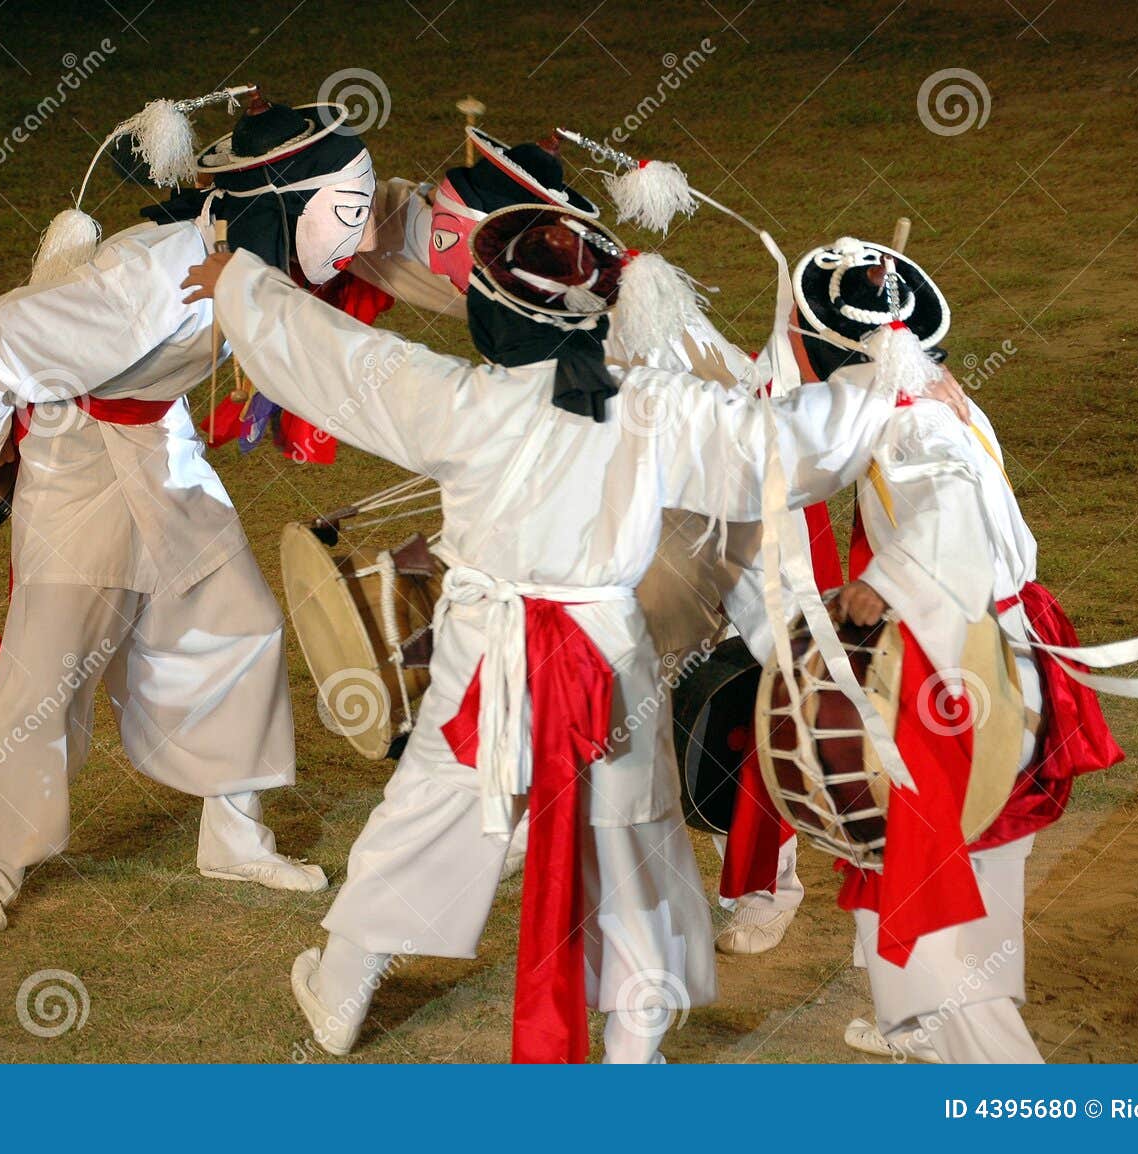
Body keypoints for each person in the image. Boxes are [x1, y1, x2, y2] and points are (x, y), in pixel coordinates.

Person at [184, 203, 938, 1062]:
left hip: (485, 652)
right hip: (608, 658)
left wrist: (239, 284)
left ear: (490, 313)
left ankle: (342, 987)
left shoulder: (457, 399)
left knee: (430, 809)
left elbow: (340, 359)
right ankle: (636, 1037)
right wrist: (880, 367)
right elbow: (783, 448)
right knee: (630, 833)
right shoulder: (655, 407)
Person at [0, 91, 377, 933]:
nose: (359, 232)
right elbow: (2, 338)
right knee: (47, 671)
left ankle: (234, 835)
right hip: (74, 462)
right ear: (287, 209)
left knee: (242, 624)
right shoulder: (150, 275)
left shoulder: (240, 256)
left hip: (161, 450)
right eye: (348, 212)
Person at [786, 235, 1138, 1062]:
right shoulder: (938, 398)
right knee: (945, 867)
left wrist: (885, 581)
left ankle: (1003, 1080)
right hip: (1001, 652)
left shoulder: (903, 425)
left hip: (962, 674)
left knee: (931, 897)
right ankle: (924, 1028)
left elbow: (952, 503)